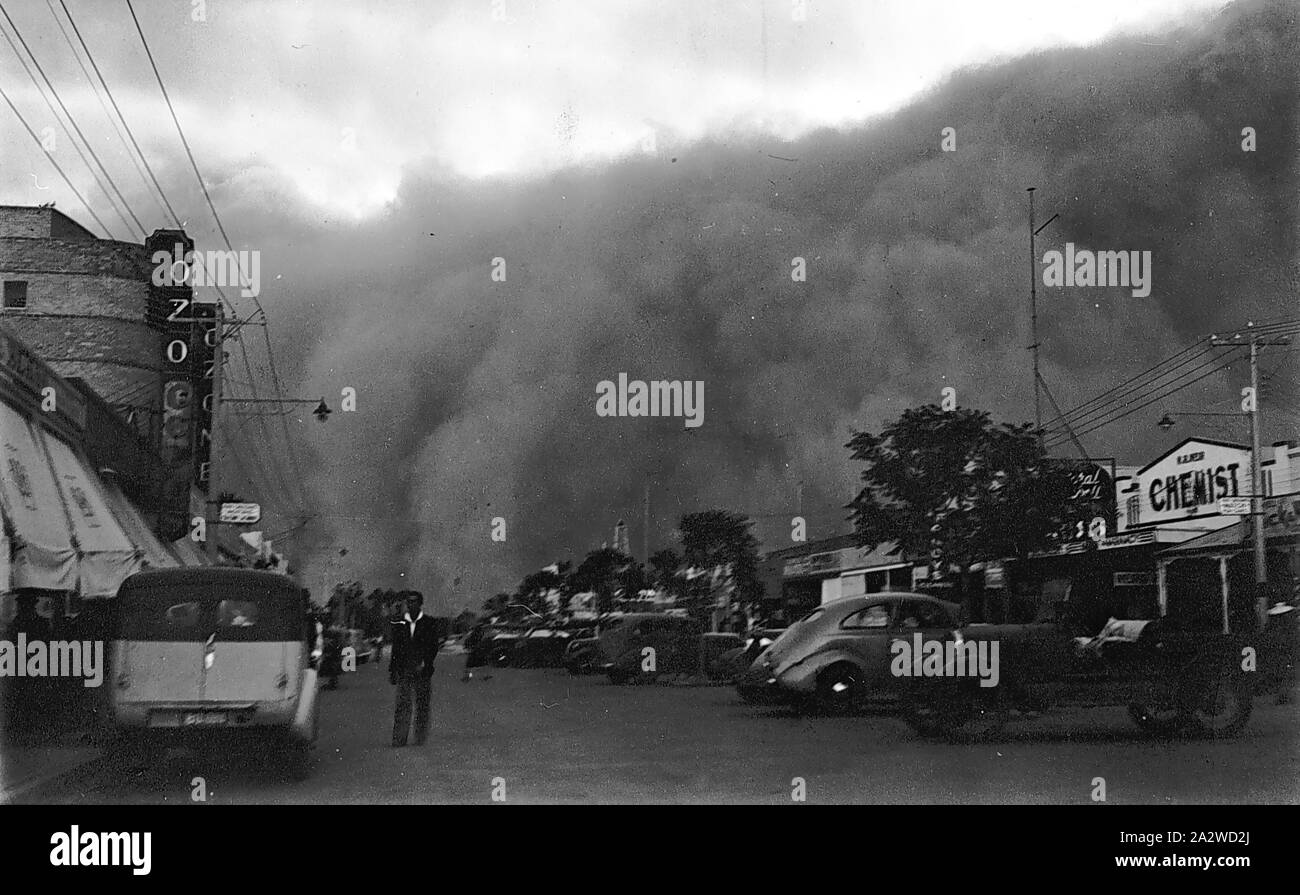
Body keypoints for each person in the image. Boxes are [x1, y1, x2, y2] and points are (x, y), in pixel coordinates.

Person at [389, 590, 440, 746]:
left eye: (414, 601)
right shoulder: (399, 624)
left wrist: (427, 662)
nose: (411, 605)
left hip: (423, 670)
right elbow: (395, 649)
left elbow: (433, 647)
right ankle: (399, 738)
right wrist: (393, 670)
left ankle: (420, 738)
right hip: (404, 669)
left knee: (422, 705)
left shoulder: (429, 623)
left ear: (420, 604)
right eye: (409, 602)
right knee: (402, 705)